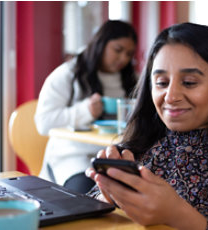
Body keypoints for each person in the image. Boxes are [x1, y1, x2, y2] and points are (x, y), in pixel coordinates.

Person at [85, 23, 208, 229]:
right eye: (161, 82)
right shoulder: (137, 151)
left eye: (189, 82)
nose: (171, 96)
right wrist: (108, 196)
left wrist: (177, 214)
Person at [34, 20, 137, 193]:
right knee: (89, 197)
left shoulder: (132, 78)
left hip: (117, 155)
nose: (123, 59)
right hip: (74, 157)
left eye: (129, 54)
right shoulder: (68, 74)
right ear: (101, 44)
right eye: (118, 50)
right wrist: (85, 111)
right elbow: (43, 122)